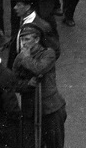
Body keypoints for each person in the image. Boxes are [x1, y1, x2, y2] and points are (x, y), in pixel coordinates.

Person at [13, 20, 67, 148]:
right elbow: (13, 82)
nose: (24, 43)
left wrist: (26, 58)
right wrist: (27, 84)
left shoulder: (48, 54)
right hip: (29, 111)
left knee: (54, 144)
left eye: (27, 39)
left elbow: (40, 69)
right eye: (22, 40)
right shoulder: (19, 58)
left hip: (50, 109)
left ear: (37, 39)